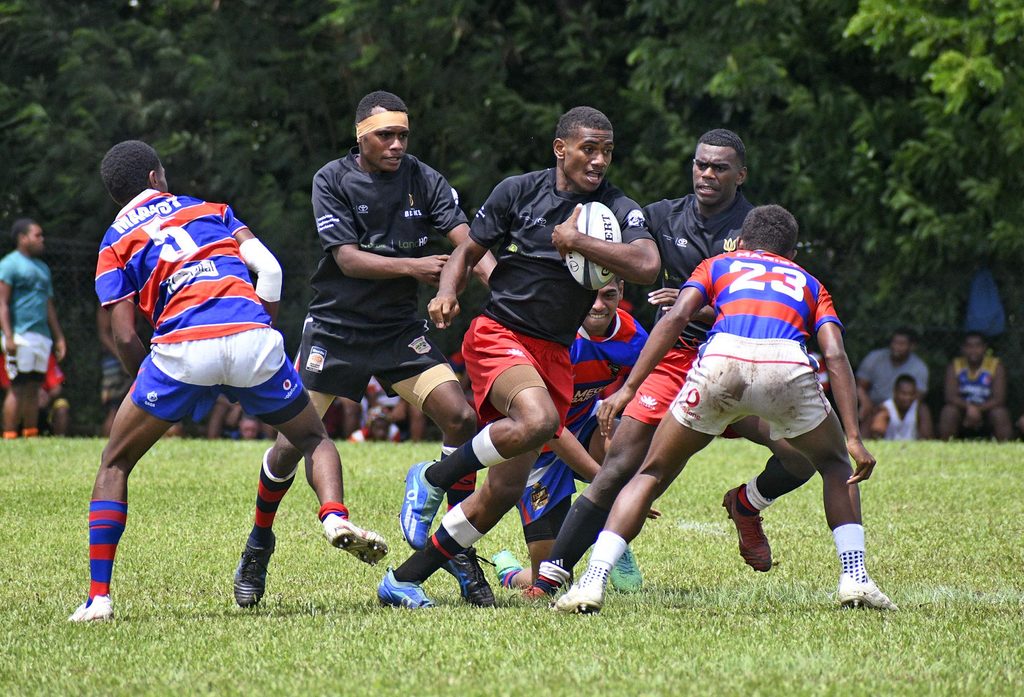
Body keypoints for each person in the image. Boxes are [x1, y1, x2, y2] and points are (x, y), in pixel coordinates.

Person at [69, 140, 387, 622]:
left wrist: (149, 388)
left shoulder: (113, 240)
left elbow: (124, 334)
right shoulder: (210, 209)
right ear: (155, 177)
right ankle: (334, 516)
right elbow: (271, 269)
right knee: (312, 438)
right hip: (250, 335)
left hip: (181, 349)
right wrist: (260, 334)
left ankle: (99, 599)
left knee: (114, 463)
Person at [378, 105, 660, 608]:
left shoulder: (617, 207)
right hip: (500, 334)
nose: (599, 160)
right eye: (588, 149)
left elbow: (647, 264)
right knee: (540, 421)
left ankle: (402, 580)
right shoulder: (519, 191)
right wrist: (447, 290)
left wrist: (577, 241)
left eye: (607, 151)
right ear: (561, 149)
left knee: (502, 491)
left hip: (554, 353)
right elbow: (467, 251)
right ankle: (433, 476)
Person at [557, 204, 896, 614]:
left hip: (721, 362)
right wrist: (854, 437)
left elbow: (676, 318)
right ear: (790, 254)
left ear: (742, 242)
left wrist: (629, 388)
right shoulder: (809, 282)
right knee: (836, 464)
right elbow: (835, 355)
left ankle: (592, 581)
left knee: (651, 472)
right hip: (784, 364)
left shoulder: (718, 264)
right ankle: (855, 578)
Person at [526, 129, 818, 599]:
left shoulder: (754, 231)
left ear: (741, 175)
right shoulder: (661, 217)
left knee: (803, 457)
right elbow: (617, 243)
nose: (707, 173)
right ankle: (550, 578)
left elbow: (766, 305)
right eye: (701, 164)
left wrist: (694, 306)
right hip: (677, 359)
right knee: (621, 466)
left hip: (741, 359)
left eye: (720, 167)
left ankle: (747, 504)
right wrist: (569, 239)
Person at [232, 91, 495, 609]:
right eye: (385, 136)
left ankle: (456, 545)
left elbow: (467, 242)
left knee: (461, 418)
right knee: (291, 445)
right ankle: (259, 543)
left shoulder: (424, 179)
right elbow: (348, 260)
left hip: (398, 331)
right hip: (336, 329)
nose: (397, 145)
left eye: (403, 136)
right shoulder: (331, 179)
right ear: (361, 137)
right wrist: (417, 268)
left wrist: (490, 284)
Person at [490, 280, 650, 592]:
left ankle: (611, 534)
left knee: (627, 438)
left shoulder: (633, 337)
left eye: (608, 295)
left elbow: (650, 395)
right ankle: (509, 573)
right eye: (591, 296)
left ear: (621, 290)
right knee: (552, 581)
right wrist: (608, 485)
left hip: (586, 422)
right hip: (538, 446)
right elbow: (548, 428)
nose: (599, 306)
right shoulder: (556, 336)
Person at [0, 218, 67, 439]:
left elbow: (49, 305)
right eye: (37, 235)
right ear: (22, 238)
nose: (42, 239)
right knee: (17, 386)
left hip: (41, 336)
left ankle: (31, 434)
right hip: (20, 334)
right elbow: (2, 303)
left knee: (34, 387)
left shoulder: (42, 268)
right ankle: (10, 436)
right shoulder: (9, 264)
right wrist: (8, 335)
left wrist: (58, 337)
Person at [938, 332, 1012, 441]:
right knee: (949, 411)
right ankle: (945, 446)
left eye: (978, 346)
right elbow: (950, 396)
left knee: (1000, 413)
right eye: (969, 346)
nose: (973, 350)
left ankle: (1006, 447)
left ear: (985, 348)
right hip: (962, 409)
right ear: (963, 349)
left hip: (987, 409)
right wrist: (969, 408)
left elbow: (999, 399)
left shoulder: (996, 366)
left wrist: (977, 410)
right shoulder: (955, 366)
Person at [856, 328, 929, 434]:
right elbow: (860, 386)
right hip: (875, 405)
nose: (897, 347)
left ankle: (926, 439)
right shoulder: (874, 358)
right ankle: (861, 440)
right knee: (870, 411)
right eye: (895, 342)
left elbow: (918, 397)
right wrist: (866, 402)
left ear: (912, 346)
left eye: (902, 344)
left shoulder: (919, 367)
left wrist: (896, 408)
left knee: (923, 410)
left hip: (904, 407)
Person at [869, 373, 933, 440]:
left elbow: (926, 437)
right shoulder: (886, 408)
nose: (907, 398)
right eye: (904, 394)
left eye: (911, 394)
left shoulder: (920, 409)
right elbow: (877, 435)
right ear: (895, 392)